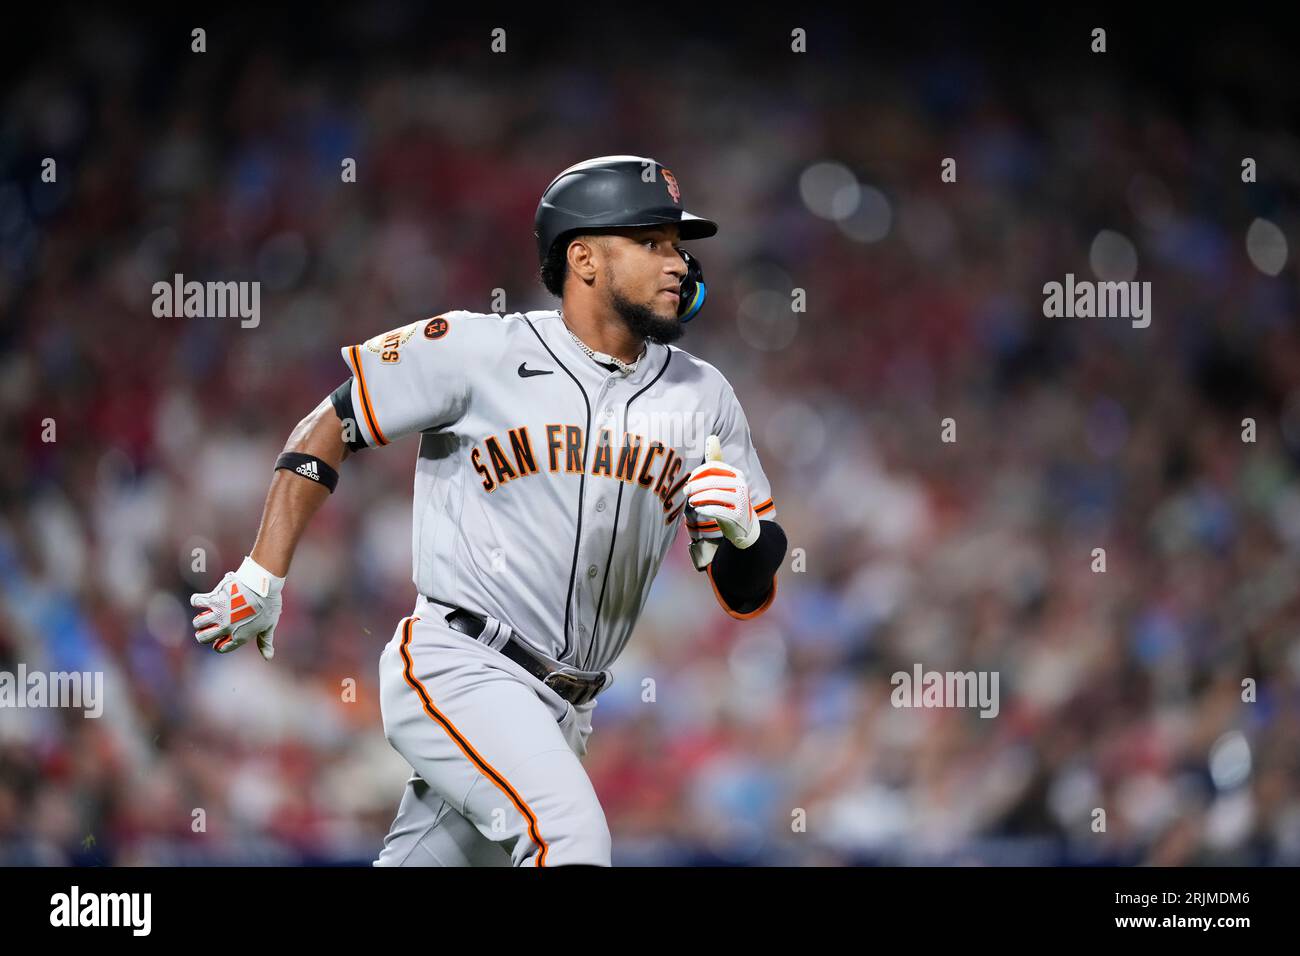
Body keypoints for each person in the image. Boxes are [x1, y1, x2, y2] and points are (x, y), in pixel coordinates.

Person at [189, 155, 788, 866]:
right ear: (585, 258)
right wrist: (264, 573)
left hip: (568, 709)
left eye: (677, 246)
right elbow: (332, 423)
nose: (677, 264)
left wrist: (747, 536)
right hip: (461, 663)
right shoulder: (480, 350)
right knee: (571, 840)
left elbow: (747, 595)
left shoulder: (704, 395)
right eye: (651, 242)